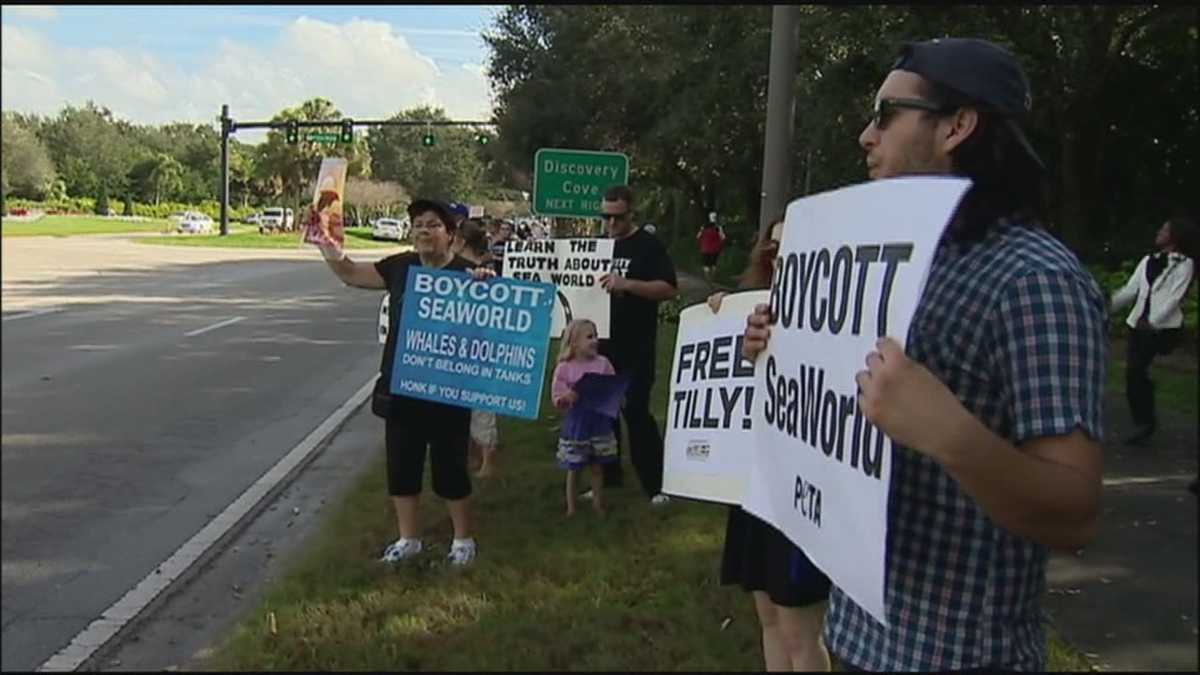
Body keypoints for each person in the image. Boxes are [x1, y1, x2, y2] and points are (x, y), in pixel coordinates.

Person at [742, 38, 1107, 671]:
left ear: (957, 126)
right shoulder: (882, 263)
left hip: (958, 656)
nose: (865, 135)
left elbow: (1074, 513)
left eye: (886, 114)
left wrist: (949, 434)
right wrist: (784, 350)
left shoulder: (1035, 279)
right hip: (855, 634)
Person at [317, 198, 493, 567]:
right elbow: (350, 274)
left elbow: (489, 328)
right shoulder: (400, 267)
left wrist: (485, 288)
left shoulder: (467, 273)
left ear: (450, 233)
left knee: (450, 468)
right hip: (401, 387)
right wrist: (327, 245)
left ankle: (463, 540)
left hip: (447, 389)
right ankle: (407, 539)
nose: (424, 232)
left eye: (432, 225)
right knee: (402, 467)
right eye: (418, 225)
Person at [709, 212, 832, 672]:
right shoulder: (752, 309)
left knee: (800, 629)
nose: (779, 258)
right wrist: (723, 319)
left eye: (791, 248)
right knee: (769, 619)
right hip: (753, 488)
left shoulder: (837, 322)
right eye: (772, 249)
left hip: (801, 494)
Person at [593, 184, 679, 506]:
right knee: (603, 413)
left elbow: (668, 288)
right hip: (600, 343)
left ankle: (656, 484)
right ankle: (608, 475)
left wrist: (626, 284)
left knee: (637, 412)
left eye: (618, 218)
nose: (611, 224)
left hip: (637, 342)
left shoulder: (648, 246)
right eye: (605, 217)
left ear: (631, 213)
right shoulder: (597, 246)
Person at [1110, 217, 1197, 446]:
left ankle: (1145, 422)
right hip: (1137, 324)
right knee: (1132, 373)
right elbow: (1130, 290)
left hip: (1161, 329)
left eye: (1165, 230)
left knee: (1137, 369)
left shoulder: (1184, 264)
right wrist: (1105, 306)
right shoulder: (1148, 260)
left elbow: (1174, 297)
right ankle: (1142, 417)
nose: (1159, 231)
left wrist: (1153, 321)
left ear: (1175, 237)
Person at [551, 318, 621, 516]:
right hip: (577, 425)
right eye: (589, 337)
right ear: (574, 342)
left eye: (596, 336)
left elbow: (613, 387)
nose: (595, 340)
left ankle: (598, 504)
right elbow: (556, 398)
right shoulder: (564, 368)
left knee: (597, 466)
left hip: (599, 424)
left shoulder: (603, 364)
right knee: (574, 467)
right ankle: (571, 508)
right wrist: (567, 397)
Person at [453, 218, 503, 477]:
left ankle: (488, 461)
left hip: (481, 348)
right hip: (462, 346)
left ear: (461, 242)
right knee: (464, 406)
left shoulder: (482, 270)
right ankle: (473, 457)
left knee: (482, 407)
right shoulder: (459, 269)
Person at [696, 211, 726, 283]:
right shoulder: (718, 227)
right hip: (715, 249)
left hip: (705, 249)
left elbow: (698, 237)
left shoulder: (704, 226)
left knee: (706, 265)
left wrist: (701, 243)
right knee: (713, 264)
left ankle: (707, 279)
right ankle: (713, 279)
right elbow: (723, 237)